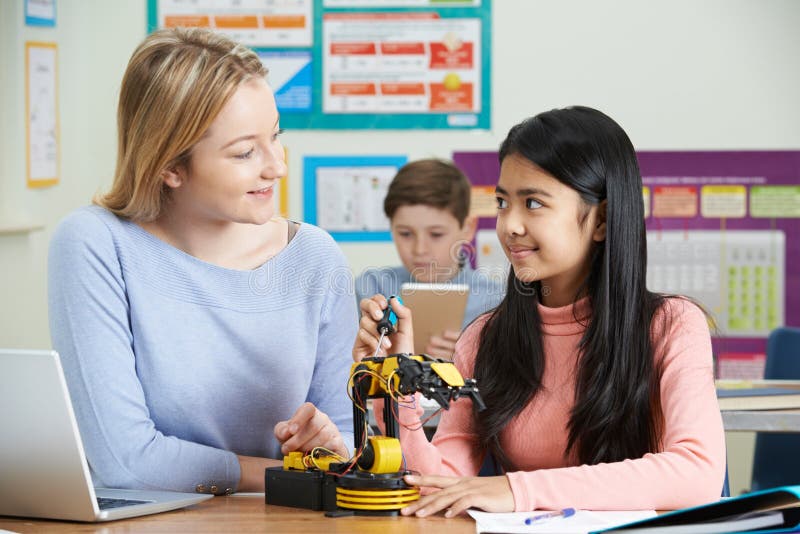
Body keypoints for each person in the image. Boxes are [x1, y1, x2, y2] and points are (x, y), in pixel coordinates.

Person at [353, 107, 726, 514]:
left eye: (533, 203)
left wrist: (517, 490)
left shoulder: (672, 325)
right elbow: (436, 484)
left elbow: (698, 472)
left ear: (601, 220)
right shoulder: (485, 338)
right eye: (502, 202)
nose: (509, 225)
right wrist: (398, 380)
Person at [48, 27, 357, 495]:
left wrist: (329, 448)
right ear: (170, 165)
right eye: (244, 152)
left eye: (276, 137)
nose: (276, 165)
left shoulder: (315, 258)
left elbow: (347, 454)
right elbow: (124, 461)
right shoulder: (96, 245)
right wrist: (282, 473)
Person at [355, 159, 505, 359]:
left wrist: (470, 363)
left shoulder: (496, 302)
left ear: (467, 228)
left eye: (436, 234)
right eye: (405, 234)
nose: (420, 249)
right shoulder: (371, 288)